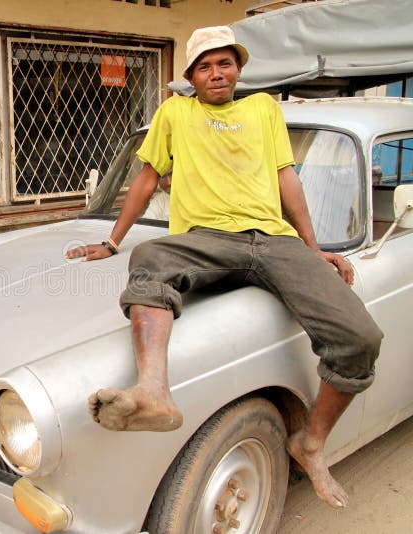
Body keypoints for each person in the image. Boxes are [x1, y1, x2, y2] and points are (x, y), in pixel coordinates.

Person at [65, 26, 382, 509]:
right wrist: (112, 241)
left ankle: (310, 443)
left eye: (225, 63)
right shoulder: (176, 112)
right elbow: (147, 178)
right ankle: (153, 390)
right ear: (190, 76)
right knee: (149, 258)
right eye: (205, 66)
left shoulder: (263, 110)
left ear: (238, 68)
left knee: (361, 337)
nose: (216, 73)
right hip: (206, 240)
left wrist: (311, 248)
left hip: (274, 242)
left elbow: (286, 179)